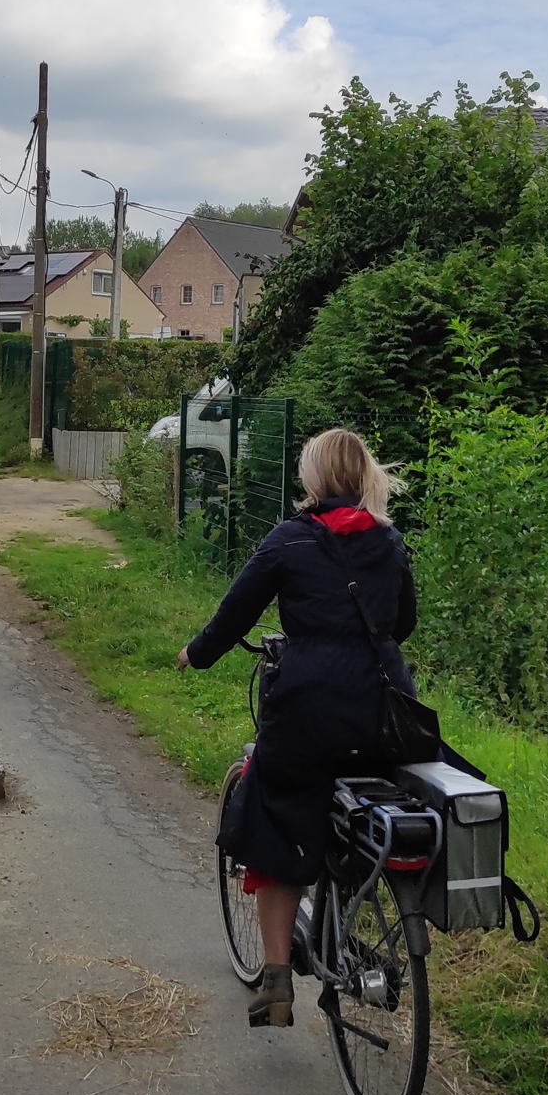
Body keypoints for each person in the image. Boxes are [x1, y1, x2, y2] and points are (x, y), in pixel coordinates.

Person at [174, 427, 415, 1028]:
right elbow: (402, 623)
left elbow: (236, 614)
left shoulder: (290, 539)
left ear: (312, 479)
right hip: (386, 711)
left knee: (274, 813)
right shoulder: (390, 542)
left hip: (307, 706)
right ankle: (353, 908)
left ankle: (277, 979)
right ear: (366, 478)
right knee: (359, 802)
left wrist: (195, 654)